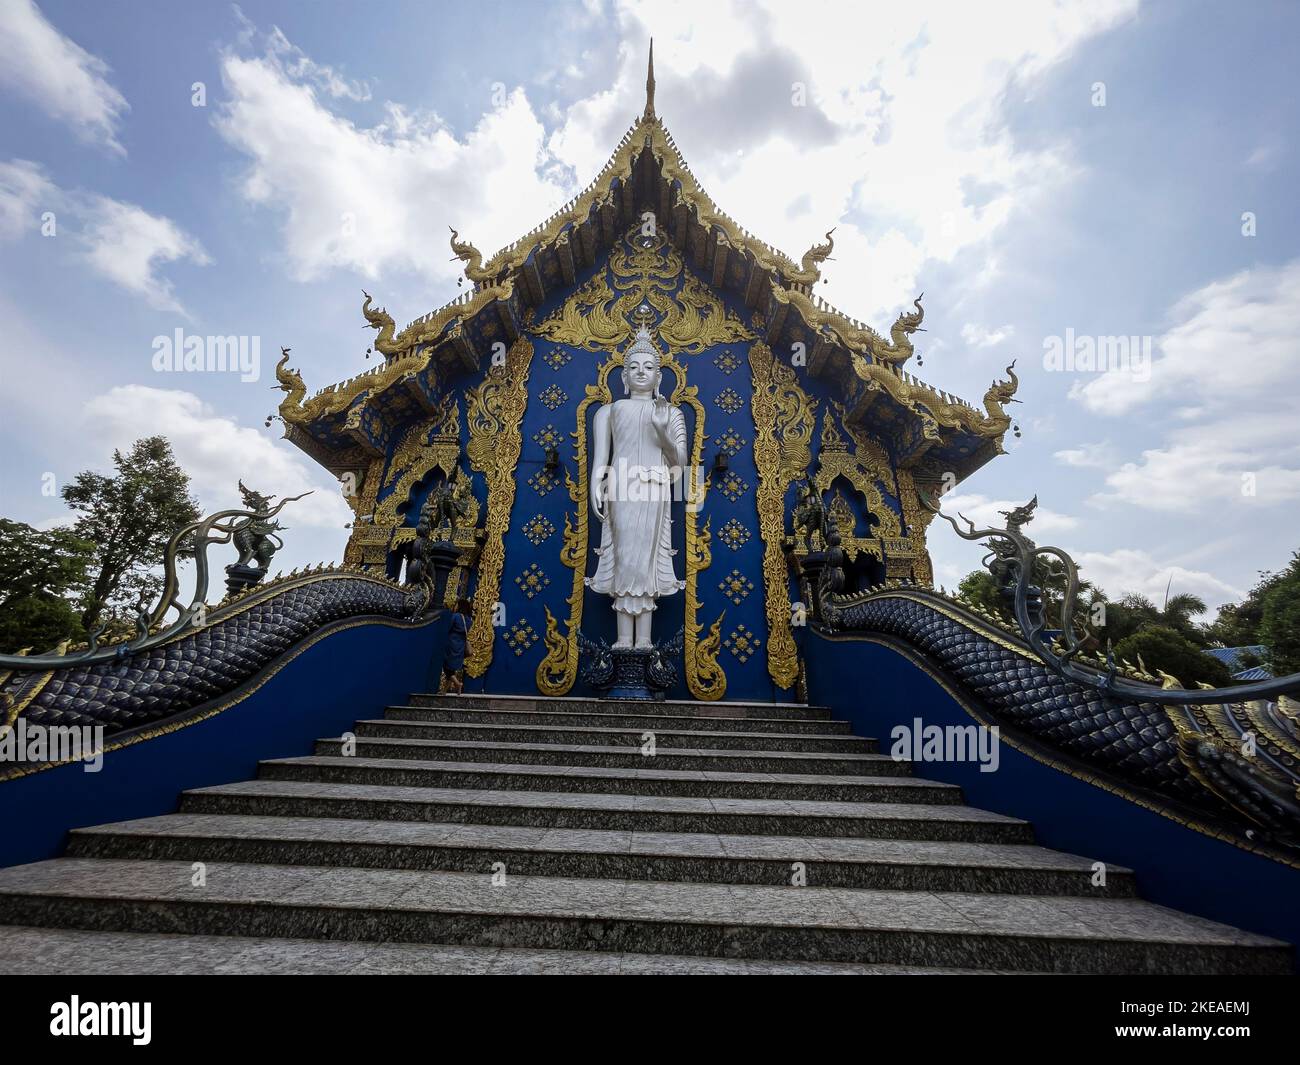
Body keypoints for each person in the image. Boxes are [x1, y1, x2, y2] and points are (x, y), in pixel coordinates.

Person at [443, 598, 471, 693]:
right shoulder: (469, 620)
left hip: (451, 643)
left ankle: (457, 683)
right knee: (451, 667)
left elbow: (447, 628)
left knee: (446, 665)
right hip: (460, 645)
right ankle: (445, 690)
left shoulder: (455, 616)